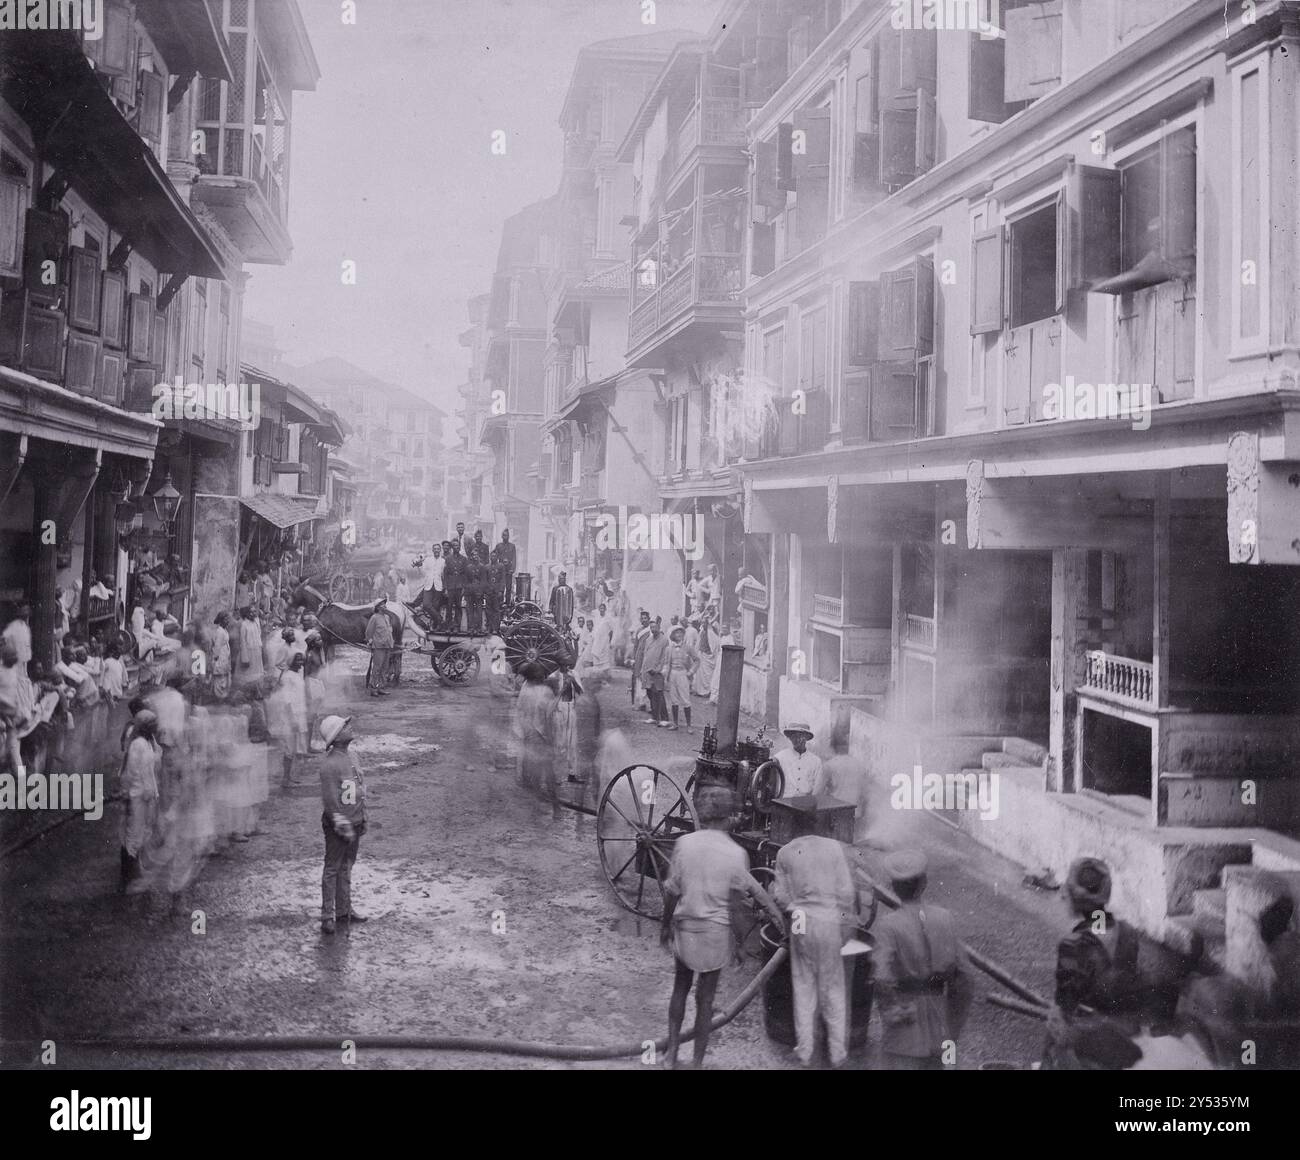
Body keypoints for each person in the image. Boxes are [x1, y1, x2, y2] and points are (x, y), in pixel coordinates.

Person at [662, 784, 785, 1069]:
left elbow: (672, 891)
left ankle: (669, 1057)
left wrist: (666, 926)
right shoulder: (735, 853)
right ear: (729, 817)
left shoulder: (685, 843)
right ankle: (696, 1062)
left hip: (686, 929)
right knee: (705, 1002)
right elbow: (735, 907)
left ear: (704, 814)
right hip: (715, 934)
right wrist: (740, 942)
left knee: (680, 989)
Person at [873, 850, 974, 1070]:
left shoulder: (889, 926)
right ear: (924, 883)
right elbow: (965, 979)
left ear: (894, 887)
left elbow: (881, 977)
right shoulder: (945, 918)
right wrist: (953, 1026)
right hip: (941, 1026)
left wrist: (893, 1009)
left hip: (904, 1032)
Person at [1042, 857, 1144, 1070]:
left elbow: (1064, 1010)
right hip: (1123, 1042)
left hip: (1090, 1046)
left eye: (1066, 891)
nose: (1063, 895)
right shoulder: (1128, 933)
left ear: (1074, 897)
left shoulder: (1073, 946)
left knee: (1054, 1030)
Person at [773, 834, 858, 1067]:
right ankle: (838, 1054)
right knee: (833, 989)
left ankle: (805, 1052)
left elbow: (779, 895)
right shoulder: (833, 847)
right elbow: (846, 893)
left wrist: (793, 910)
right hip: (830, 921)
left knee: (803, 986)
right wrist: (847, 924)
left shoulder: (786, 851)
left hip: (801, 920)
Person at [318, 715, 368, 935]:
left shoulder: (353, 757)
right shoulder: (329, 766)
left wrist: (362, 818)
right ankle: (327, 915)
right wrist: (341, 824)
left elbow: (360, 791)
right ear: (337, 737)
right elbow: (331, 802)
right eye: (345, 726)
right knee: (332, 868)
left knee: (347, 867)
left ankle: (344, 910)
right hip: (339, 824)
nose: (350, 728)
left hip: (355, 820)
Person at [119, 708, 160, 896]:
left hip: (145, 795)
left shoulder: (147, 743)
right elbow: (135, 774)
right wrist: (148, 795)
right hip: (139, 796)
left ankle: (136, 870)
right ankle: (128, 877)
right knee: (134, 835)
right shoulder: (139, 745)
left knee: (141, 832)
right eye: (152, 724)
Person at [814, 729, 870, 843]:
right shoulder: (859, 765)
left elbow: (816, 794)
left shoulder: (829, 766)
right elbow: (866, 793)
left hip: (836, 814)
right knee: (853, 848)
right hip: (856, 814)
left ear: (833, 747)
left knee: (837, 849)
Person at [515, 662, 557, 810]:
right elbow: (550, 716)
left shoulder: (525, 690)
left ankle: (534, 800)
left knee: (534, 768)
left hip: (529, 732)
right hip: (542, 734)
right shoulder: (545, 691)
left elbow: (520, 711)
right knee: (548, 769)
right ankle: (554, 805)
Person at [270, 653, 308, 787]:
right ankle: (285, 779)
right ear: (291, 662)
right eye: (297, 660)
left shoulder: (298, 674)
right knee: (289, 748)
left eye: (302, 660)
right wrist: (292, 719)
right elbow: (287, 700)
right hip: (290, 716)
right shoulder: (287, 677)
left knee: (296, 748)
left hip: (299, 714)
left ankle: (290, 776)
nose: (300, 663)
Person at [665, 624, 698, 731]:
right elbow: (668, 664)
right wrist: (667, 677)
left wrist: (691, 671)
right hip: (673, 674)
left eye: (680, 632)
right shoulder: (669, 648)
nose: (678, 634)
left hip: (683, 674)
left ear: (683, 634)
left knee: (685, 699)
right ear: (673, 636)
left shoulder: (688, 647)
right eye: (676, 633)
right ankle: (675, 724)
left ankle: (689, 725)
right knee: (674, 700)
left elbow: (697, 660)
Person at [775, 723, 823, 797]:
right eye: (794, 736)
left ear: (806, 737)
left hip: (805, 803)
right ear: (790, 738)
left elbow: (817, 787)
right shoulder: (780, 757)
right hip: (784, 802)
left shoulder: (816, 761)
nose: (797, 739)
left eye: (800, 736)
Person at [640, 619, 671, 727]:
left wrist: (657, 670)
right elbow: (645, 655)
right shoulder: (648, 640)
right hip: (647, 671)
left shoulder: (664, 640)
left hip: (657, 672)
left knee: (658, 694)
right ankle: (654, 717)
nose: (653, 629)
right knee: (649, 693)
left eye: (655, 627)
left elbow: (664, 657)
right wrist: (643, 670)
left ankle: (664, 718)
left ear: (659, 627)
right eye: (651, 627)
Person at [364, 600, 393, 697]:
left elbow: (389, 631)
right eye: (382, 604)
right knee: (377, 668)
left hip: (388, 646)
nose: (385, 606)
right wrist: (370, 642)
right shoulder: (374, 618)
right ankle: (373, 688)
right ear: (378, 607)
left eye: (385, 604)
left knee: (385, 668)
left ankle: (381, 687)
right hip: (378, 647)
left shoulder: (387, 617)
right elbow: (369, 632)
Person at [235, 606, 264, 690]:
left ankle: (257, 690)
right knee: (248, 673)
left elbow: (258, 635)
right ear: (246, 614)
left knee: (257, 672)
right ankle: (246, 690)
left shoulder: (256, 623)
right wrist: (245, 658)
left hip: (256, 652)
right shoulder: (244, 624)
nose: (254, 614)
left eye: (255, 612)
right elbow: (243, 641)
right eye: (251, 612)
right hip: (248, 652)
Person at [630, 610, 653, 709]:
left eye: (645, 618)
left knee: (647, 678)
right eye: (642, 619)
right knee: (638, 678)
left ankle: (648, 703)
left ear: (649, 619)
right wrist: (633, 659)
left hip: (648, 656)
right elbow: (635, 646)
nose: (643, 620)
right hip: (639, 657)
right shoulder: (639, 630)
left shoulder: (651, 630)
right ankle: (641, 702)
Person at [444, 542, 466, 633]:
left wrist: (464, 587)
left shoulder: (464, 559)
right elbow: (445, 574)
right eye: (454, 546)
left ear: (460, 547)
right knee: (449, 607)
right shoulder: (448, 559)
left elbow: (465, 574)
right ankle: (449, 626)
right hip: (450, 587)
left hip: (459, 586)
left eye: (458, 546)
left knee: (458, 607)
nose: (456, 547)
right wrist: (445, 588)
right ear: (452, 548)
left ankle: (457, 626)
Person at [209, 612, 232, 701]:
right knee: (219, 678)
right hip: (220, 657)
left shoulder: (224, 630)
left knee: (223, 677)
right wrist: (215, 658)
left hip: (225, 656)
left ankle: (221, 696)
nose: (228, 621)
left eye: (228, 619)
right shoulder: (219, 631)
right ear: (221, 620)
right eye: (226, 619)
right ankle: (218, 697)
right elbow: (217, 646)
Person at [491, 530, 516, 607]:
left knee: (508, 587)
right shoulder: (499, 546)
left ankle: (507, 604)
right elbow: (492, 554)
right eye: (504, 535)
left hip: (509, 570)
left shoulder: (512, 546)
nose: (506, 537)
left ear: (509, 536)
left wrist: (512, 569)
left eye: (507, 535)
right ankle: (500, 603)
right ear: (502, 536)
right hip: (500, 570)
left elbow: (514, 558)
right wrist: (496, 565)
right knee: (500, 587)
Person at [465, 556, 487, 634]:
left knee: (479, 610)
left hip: (478, 593)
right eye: (473, 555)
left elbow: (484, 581)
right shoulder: (468, 567)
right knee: (469, 610)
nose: (475, 557)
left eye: (476, 555)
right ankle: (470, 628)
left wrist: (480, 591)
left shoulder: (482, 567)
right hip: (470, 593)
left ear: (479, 557)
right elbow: (466, 580)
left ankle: (478, 628)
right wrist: (468, 590)